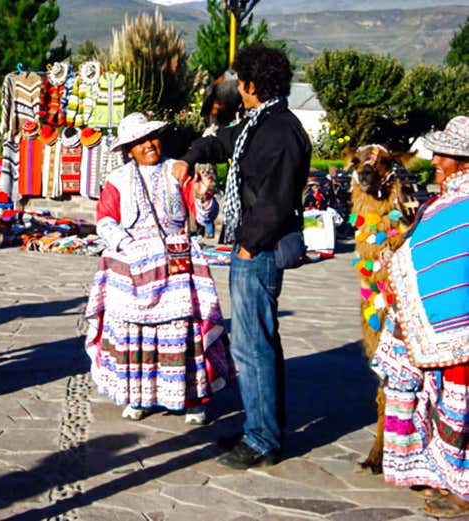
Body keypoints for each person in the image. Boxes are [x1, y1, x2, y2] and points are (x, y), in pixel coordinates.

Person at [173, 44, 311, 468]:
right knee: (257, 342)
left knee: (254, 348)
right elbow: (221, 142)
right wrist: (191, 156)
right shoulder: (258, 125)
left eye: (240, 82)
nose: (237, 88)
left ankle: (263, 439)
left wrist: (248, 245)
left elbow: (276, 201)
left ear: (251, 85)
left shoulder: (280, 131)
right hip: (250, 247)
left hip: (259, 252)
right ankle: (261, 426)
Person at [85, 112, 233, 425]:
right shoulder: (117, 180)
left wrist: (204, 196)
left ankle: (192, 398)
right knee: (136, 333)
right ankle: (140, 396)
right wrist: (126, 244)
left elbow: (203, 216)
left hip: (175, 262)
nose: (148, 145)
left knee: (183, 330)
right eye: (139, 142)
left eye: (151, 138)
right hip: (133, 265)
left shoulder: (177, 170)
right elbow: (105, 220)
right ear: (129, 150)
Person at [371, 116, 469, 518]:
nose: (436, 161)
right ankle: (442, 472)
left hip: (458, 326)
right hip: (435, 325)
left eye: (444, 155)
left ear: (464, 162)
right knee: (439, 397)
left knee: (460, 400)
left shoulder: (461, 205)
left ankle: (462, 488)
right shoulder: (442, 201)